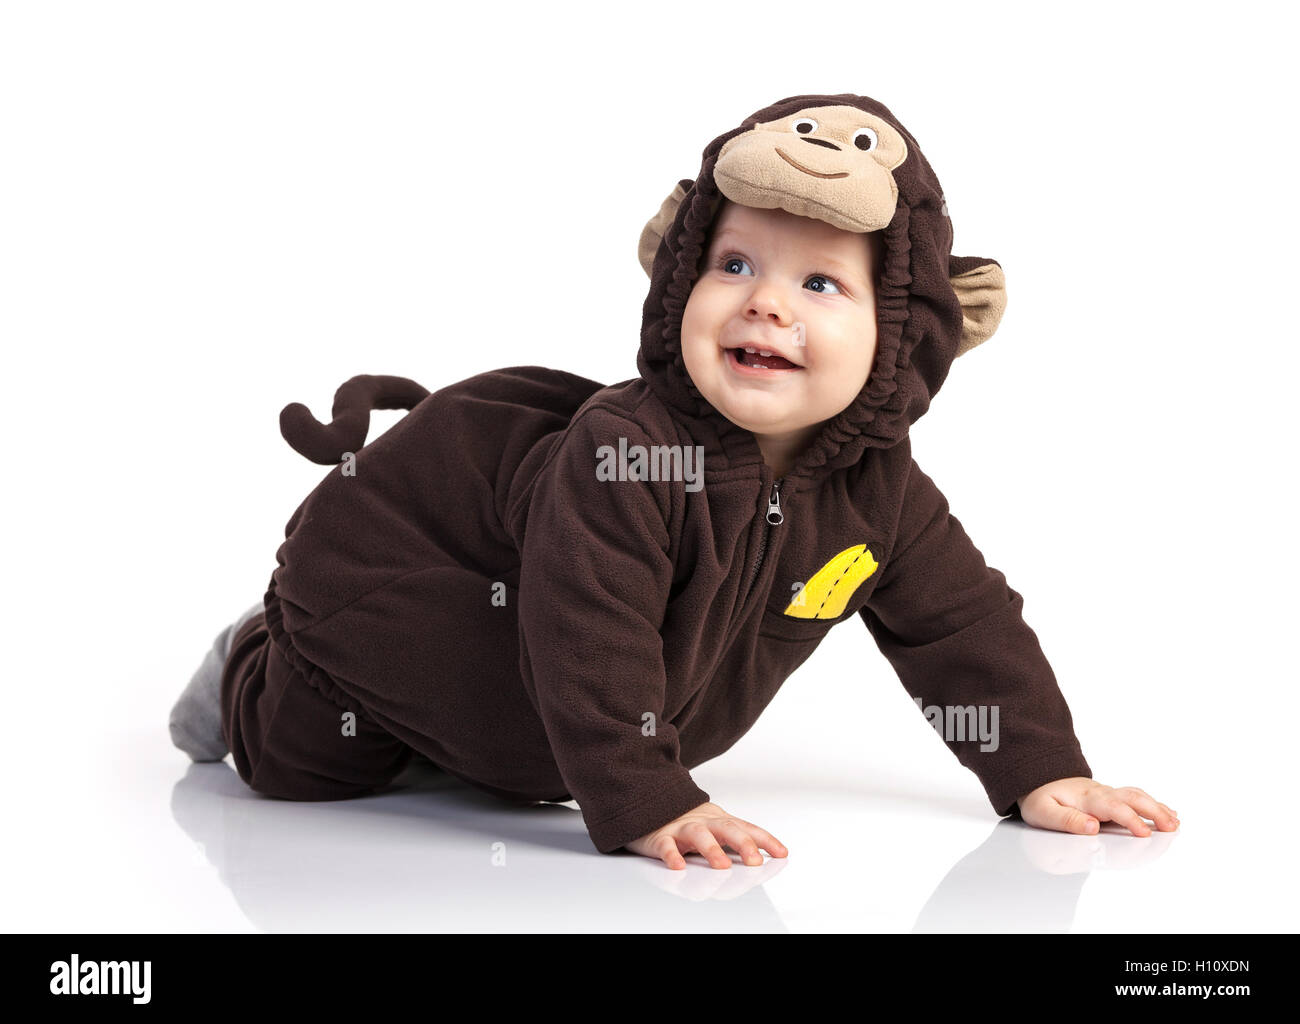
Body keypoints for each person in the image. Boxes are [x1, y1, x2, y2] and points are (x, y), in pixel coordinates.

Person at [170, 92, 1179, 870]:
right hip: (379, 621)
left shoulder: (885, 497)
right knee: (307, 767)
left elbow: (962, 631)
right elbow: (584, 627)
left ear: (901, 333)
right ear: (679, 279)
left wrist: (1041, 765)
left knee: (493, 756)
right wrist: (647, 795)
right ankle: (256, 658)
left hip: (528, 719)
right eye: (735, 264)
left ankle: (466, 748)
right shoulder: (626, 449)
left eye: (819, 282)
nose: (765, 305)